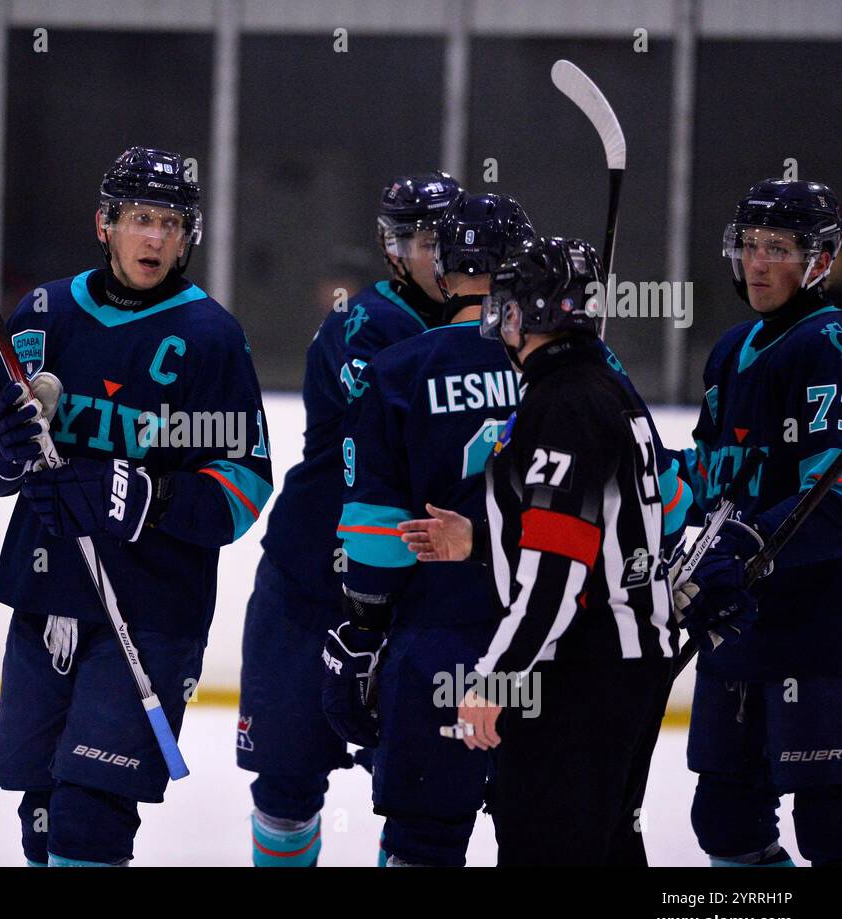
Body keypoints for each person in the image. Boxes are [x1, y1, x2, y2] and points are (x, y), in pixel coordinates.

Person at [0, 147, 272, 866]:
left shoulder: (211, 339)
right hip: (44, 597)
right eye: (140, 219)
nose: (156, 239)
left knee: (89, 819)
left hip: (151, 612)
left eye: (170, 222)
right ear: (105, 224)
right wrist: (1, 444)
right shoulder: (43, 312)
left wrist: (149, 497)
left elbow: (245, 487)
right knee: (40, 823)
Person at [401, 237, 678, 865]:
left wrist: (496, 677)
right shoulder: (596, 387)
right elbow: (589, 531)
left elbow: (556, 569)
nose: (497, 316)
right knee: (604, 842)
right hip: (618, 661)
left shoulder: (564, 403)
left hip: (587, 670)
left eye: (507, 302)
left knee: (545, 845)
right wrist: (481, 542)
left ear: (530, 314)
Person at [237, 172, 461, 866]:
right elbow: (411, 445)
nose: (438, 255)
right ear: (393, 251)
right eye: (422, 241)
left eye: (449, 240)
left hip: (421, 596)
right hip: (313, 584)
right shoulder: (364, 323)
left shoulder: (497, 328)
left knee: (422, 795)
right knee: (286, 780)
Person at [326, 193, 531, 866]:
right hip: (548, 642)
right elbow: (648, 498)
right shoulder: (570, 368)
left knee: (422, 839)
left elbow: (377, 532)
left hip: (436, 641)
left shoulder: (399, 368)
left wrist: (363, 629)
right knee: (546, 839)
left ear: (443, 273)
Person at [676, 179, 842, 867]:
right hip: (737, 618)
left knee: (831, 828)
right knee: (724, 821)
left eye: (778, 247)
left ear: (820, 260)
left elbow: (833, 498)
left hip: (819, 627)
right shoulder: (731, 348)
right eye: (748, 245)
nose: (757, 262)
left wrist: (745, 544)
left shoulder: (828, 343)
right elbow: (713, 471)